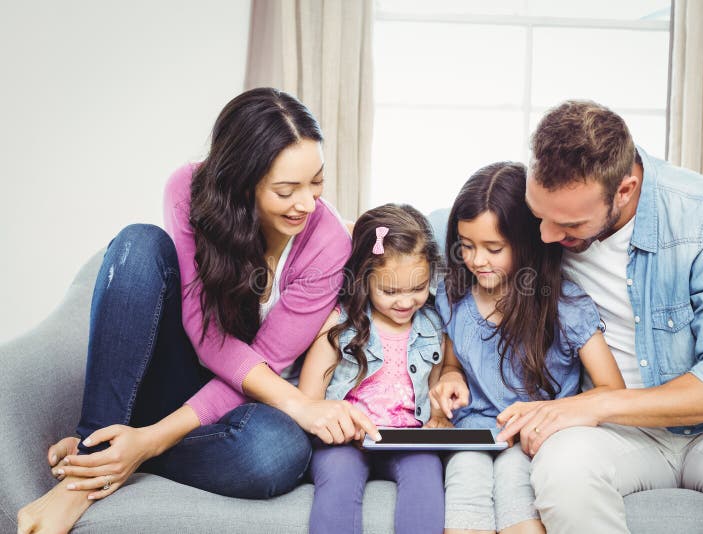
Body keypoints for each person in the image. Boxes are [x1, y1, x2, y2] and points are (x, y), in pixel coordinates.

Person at [17, 87, 380, 534]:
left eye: (317, 181)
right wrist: (301, 406)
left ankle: (126, 451)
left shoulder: (327, 244)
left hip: (240, 402)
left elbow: (263, 363)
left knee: (278, 451)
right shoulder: (188, 190)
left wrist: (149, 441)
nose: (307, 203)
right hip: (169, 374)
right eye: (287, 190)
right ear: (243, 181)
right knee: (139, 244)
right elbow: (206, 335)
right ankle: (93, 459)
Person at [496, 100, 703, 533]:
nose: (545, 235)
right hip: (619, 435)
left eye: (571, 225)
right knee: (563, 470)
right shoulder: (545, 221)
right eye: (538, 214)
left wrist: (597, 402)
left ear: (624, 189)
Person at [428, 161, 625, 534]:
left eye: (493, 248)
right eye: (466, 246)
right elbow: (452, 364)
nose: (477, 260)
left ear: (528, 243)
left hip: (535, 439)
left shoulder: (564, 305)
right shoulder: (455, 298)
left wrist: (548, 414)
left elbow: (612, 390)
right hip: (472, 433)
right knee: (465, 491)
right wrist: (449, 379)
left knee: (515, 487)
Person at [298, 203, 446, 534]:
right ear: (365, 279)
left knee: (426, 473)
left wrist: (439, 420)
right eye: (391, 291)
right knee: (338, 477)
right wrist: (338, 424)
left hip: (408, 442)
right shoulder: (339, 324)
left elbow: (436, 397)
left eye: (418, 288)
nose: (406, 302)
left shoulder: (434, 326)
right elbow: (308, 399)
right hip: (346, 442)